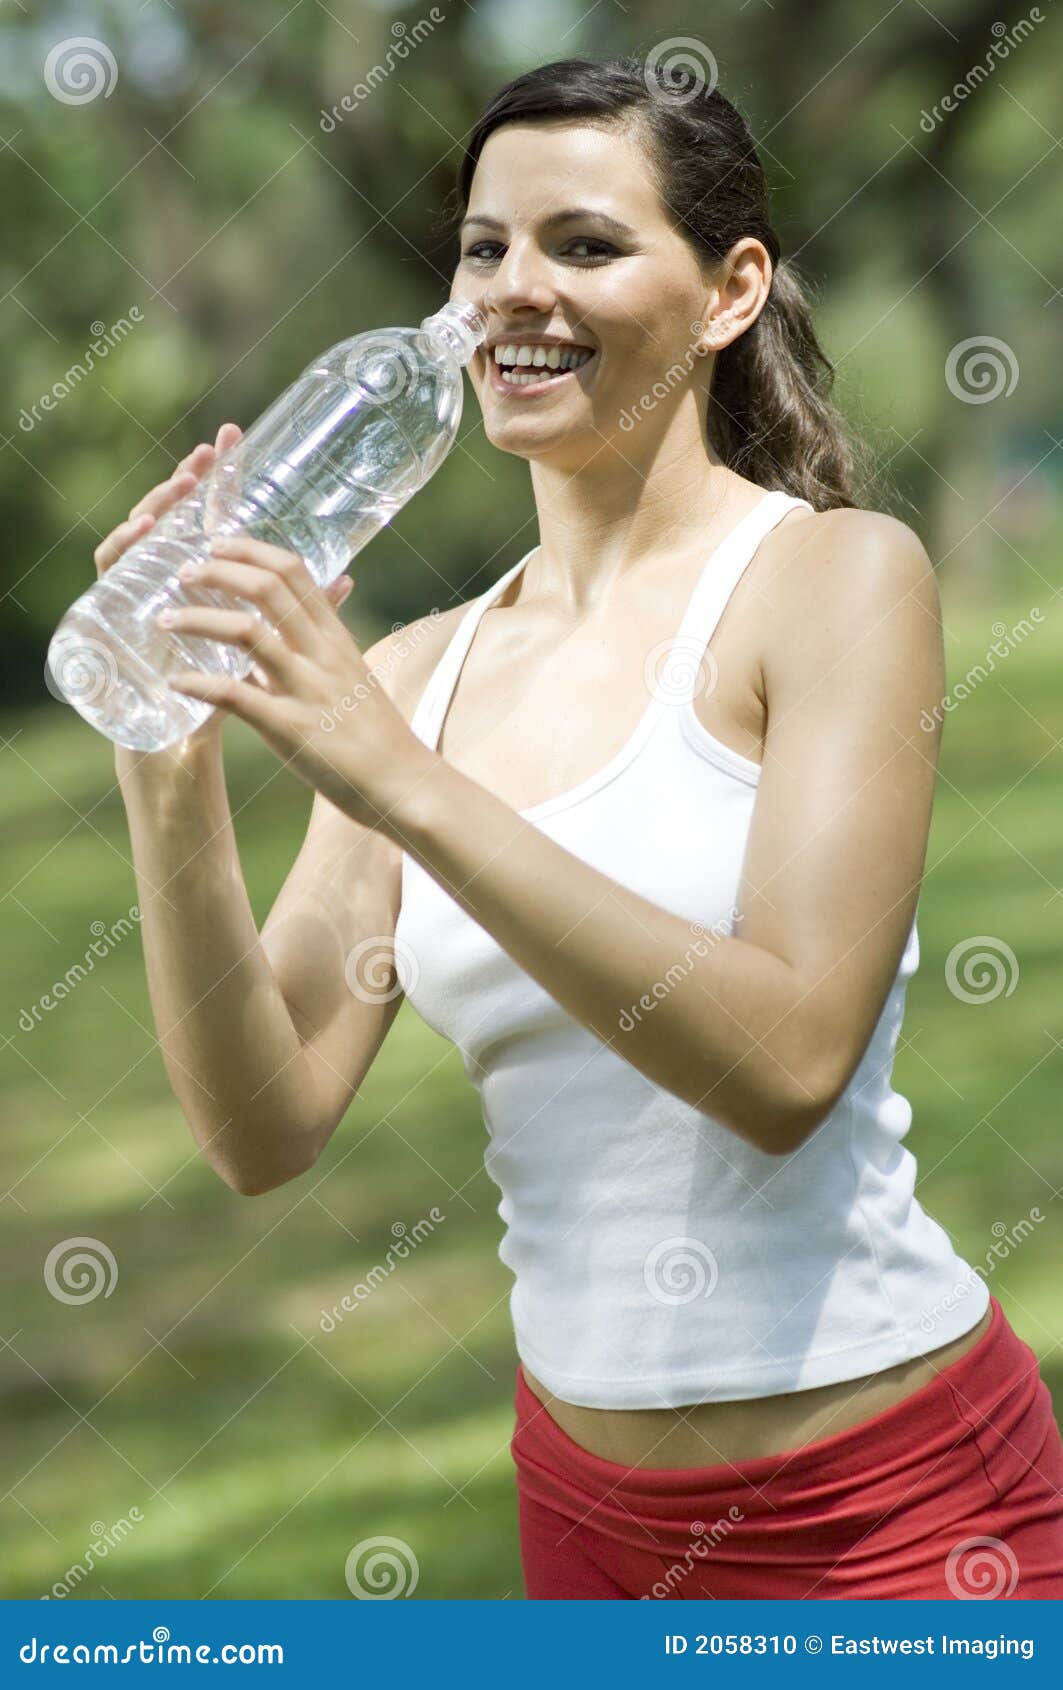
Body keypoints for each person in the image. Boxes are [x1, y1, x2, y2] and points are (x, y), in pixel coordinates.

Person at [98, 55, 1063, 1600]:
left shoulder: (834, 582)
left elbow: (788, 1059)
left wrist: (404, 782)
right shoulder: (416, 673)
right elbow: (261, 1121)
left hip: (894, 1515)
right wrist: (170, 767)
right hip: (591, 1524)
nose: (510, 291)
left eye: (585, 245)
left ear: (731, 289)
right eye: (484, 248)